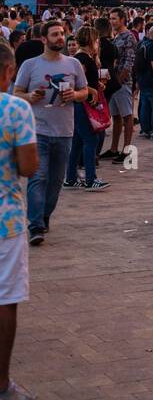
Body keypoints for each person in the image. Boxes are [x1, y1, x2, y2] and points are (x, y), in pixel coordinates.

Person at [14, 20, 89, 244]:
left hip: (64, 131)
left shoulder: (74, 64)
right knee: (38, 177)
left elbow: (85, 91)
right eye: (54, 34)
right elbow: (16, 92)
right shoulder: (30, 65)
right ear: (44, 39)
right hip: (38, 130)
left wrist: (74, 96)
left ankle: (44, 216)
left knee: (56, 180)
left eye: (61, 34)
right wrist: (30, 97)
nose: (59, 38)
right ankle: (35, 225)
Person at [0, 40, 39, 400]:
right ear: (9, 71)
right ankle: (1, 387)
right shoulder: (15, 109)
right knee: (5, 299)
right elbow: (28, 167)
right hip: (5, 219)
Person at [62, 26, 110, 192]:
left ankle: (71, 178)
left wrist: (95, 85)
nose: (98, 43)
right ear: (91, 40)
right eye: (96, 40)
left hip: (80, 103)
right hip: (82, 104)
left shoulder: (82, 57)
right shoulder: (82, 58)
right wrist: (92, 89)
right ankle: (90, 179)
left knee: (77, 141)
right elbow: (75, 80)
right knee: (90, 140)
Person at [107, 8, 137, 164]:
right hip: (114, 82)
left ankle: (127, 151)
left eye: (114, 19)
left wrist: (119, 81)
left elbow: (129, 63)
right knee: (116, 116)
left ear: (123, 19)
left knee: (127, 116)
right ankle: (113, 149)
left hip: (122, 82)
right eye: (110, 19)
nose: (111, 21)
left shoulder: (129, 37)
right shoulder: (115, 36)